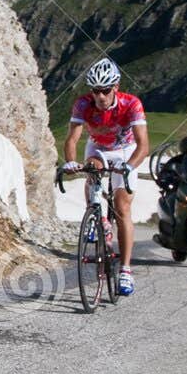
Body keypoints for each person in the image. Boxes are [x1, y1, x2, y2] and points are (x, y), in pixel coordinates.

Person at [62, 58, 149, 296]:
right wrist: (70, 161)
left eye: (105, 90)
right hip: (99, 147)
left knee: (122, 207)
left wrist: (130, 166)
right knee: (92, 169)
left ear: (116, 87)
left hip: (126, 150)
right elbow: (72, 139)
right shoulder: (83, 104)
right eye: (95, 91)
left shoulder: (132, 104)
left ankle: (126, 270)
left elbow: (143, 145)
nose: (100, 96)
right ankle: (96, 216)